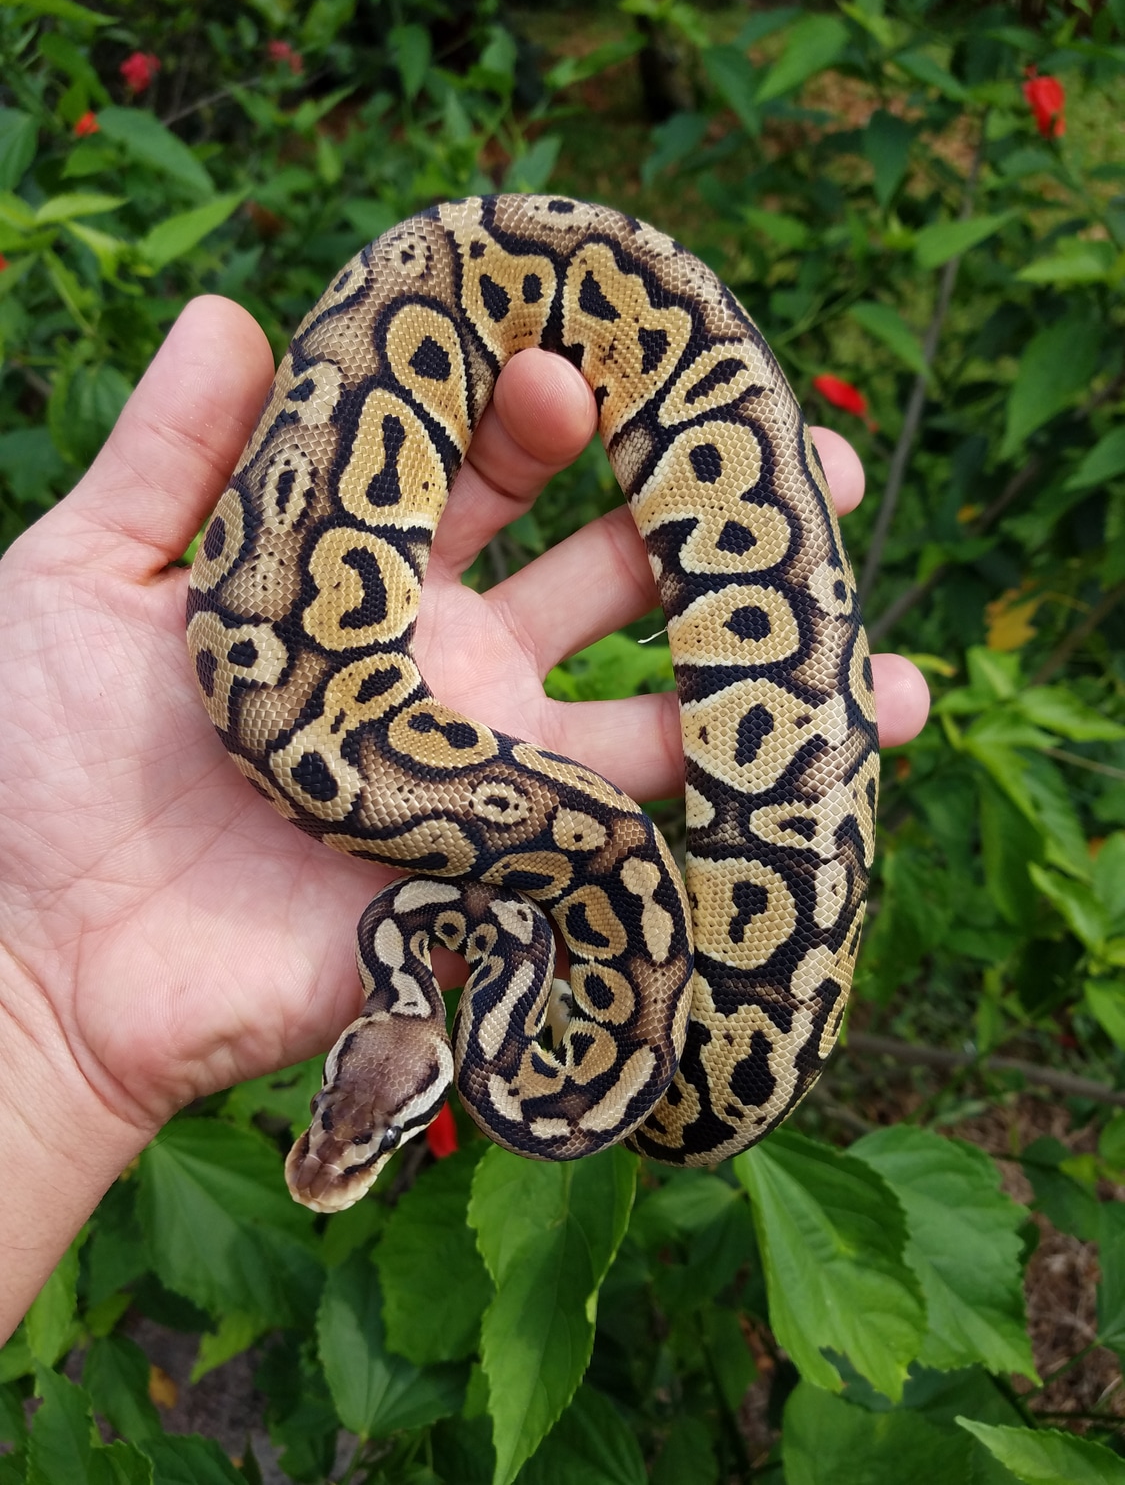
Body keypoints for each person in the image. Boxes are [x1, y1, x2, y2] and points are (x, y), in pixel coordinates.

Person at [0, 296, 929, 1342]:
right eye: (369, 1136)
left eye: (344, 1125)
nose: (332, 1156)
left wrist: (35, 1011)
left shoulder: (485, 980)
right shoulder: (481, 975)